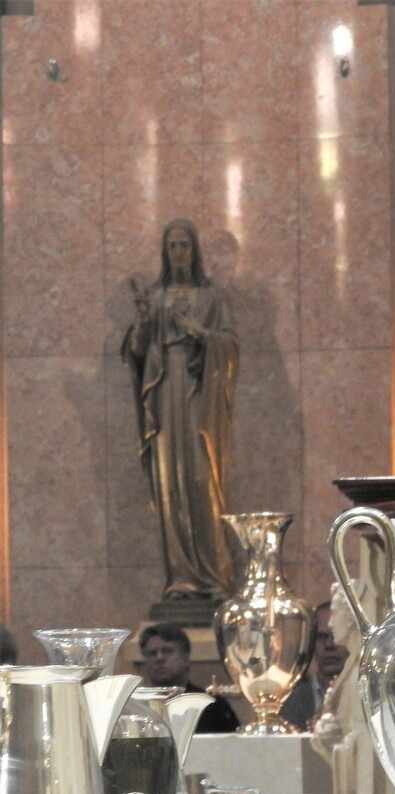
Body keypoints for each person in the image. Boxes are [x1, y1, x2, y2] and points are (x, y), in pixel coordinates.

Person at [123, 218, 239, 603]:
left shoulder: (211, 297)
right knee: (170, 481)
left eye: (184, 245)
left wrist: (200, 333)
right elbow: (137, 353)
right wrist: (142, 322)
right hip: (164, 392)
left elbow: (229, 347)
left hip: (199, 395)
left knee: (201, 480)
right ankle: (181, 579)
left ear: (195, 250)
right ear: (164, 252)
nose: (178, 253)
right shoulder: (155, 298)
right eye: (172, 246)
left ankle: (213, 576)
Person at [139, 623, 241, 733]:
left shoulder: (211, 706)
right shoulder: (138, 709)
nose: (159, 658)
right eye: (152, 653)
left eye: (167, 651)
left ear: (185, 657)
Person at [280, 602, 350, 731]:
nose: (329, 645)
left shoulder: (368, 698)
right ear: (311, 643)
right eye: (321, 637)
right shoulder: (289, 703)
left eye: (337, 636)